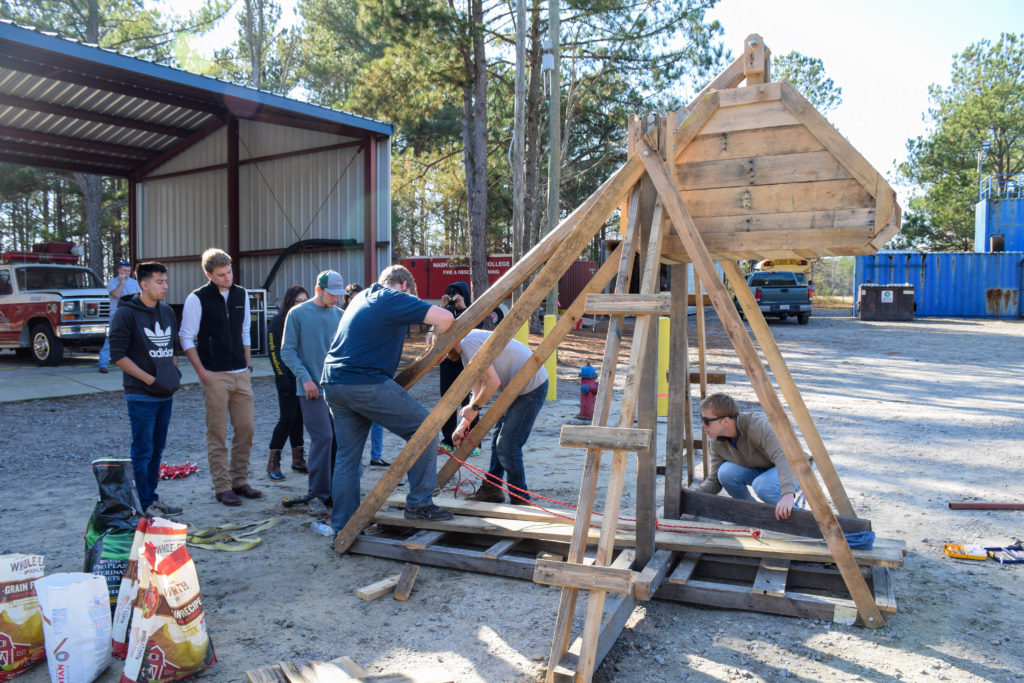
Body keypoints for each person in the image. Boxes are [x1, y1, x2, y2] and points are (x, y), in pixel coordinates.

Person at [321, 265, 455, 532]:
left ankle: (343, 526)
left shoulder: (362, 297)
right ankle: (419, 504)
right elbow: (446, 317)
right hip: (363, 381)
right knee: (426, 429)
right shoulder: (392, 297)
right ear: (405, 286)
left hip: (334, 381)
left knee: (347, 458)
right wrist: (435, 337)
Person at [178, 248, 261, 507]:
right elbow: (186, 336)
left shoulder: (241, 294)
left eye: (229, 272)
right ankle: (222, 486)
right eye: (221, 274)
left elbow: (245, 330)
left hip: (241, 372)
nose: (228, 277)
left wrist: (247, 364)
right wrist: (202, 372)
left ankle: (240, 480)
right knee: (217, 432)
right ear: (209, 275)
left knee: (246, 428)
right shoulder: (197, 298)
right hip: (214, 373)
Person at [108, 262, 182, 517]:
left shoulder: (167, 312)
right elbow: (118, 355)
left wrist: (171, 375)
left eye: (166, 281)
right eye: (159, 282)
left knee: (157, 448)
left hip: (165, 393)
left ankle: (151, 498)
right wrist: (150, 380)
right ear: (144, 284)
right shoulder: (126, 314)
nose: (165, 286)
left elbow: (172, 348)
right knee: (143, 450)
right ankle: (143, 504)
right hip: (141, 394)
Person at [450, 330, 548, 504]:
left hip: (530, 387)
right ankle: (492, 490)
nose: (441, 357)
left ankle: (520, 499)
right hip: (513, 390)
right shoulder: (466, 348)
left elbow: (493, 382)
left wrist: (474, 408)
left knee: (508, 444)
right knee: (498, 439)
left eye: (439, 351)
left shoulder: (468, 343)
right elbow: (477, 391)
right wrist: (462, 426)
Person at [280, 271, 345, 517]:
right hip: (311, 390)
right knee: (323, 437)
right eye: (332, 294)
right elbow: (287, 351)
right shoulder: (298, 314)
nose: (336, 299)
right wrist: (305, 378)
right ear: (319, 290)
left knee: (340, 439)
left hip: (337, 389)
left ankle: (335, 491)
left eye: (339, 295)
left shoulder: (341, 316)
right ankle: (317, 494)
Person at [696, 393, 800, 520]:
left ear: (726, 421)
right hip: (763, 472)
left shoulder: (758, 426)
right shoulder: (716, 441)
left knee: (763, 486)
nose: (702, 425)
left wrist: (788, 494)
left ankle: (800, 519)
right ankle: (751, 515)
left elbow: (784, 457)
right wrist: (696, 492)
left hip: (793, 467)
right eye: (701, 418)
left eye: (707, 421)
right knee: (724, 473)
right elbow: (715, 480)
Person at [266, 284, 309, 481]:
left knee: (298, 418)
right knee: (286, 419)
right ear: (289, 301)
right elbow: (273, 351)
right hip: (286, 378)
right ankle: (273, 461)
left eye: (304, 301)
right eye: (297, 301)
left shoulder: (305, 320)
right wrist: (282, 377)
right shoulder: (278, 321)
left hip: (301, 377)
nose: (300, 305)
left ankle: (298, 459)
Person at [343, 282, 387, 469]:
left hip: (372, 374)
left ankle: (376, 456)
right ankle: (355, 459)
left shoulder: (369, 316)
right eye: (352, 297)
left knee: (378, 420)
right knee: (355, 423)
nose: (355, 300)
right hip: (352, 378)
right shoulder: (344, 317)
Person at [437, 281, 480, 458]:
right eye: (451, 295)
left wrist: (464, 310)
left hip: (466, 363)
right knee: (447, 403)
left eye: (457, 295)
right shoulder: (443, 313)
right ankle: (447, 440)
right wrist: (442, 310)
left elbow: (477, 330)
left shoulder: (473, 312)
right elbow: (436, 334)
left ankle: (471, 442)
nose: (454, 299)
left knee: (469, 403)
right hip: (448, 364)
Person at [98, 261, 141, 373]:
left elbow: (140, 298)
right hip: (116, 315)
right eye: (124, 270)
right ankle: (103, 364)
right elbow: (116, 295)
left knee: (135, 338)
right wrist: (122, 282)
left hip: (132, 314)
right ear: (119, 270)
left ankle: (133, 363)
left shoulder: (134, 283)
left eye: (128, 271)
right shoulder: (112, 283)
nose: (126, 273)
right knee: (111, 338)